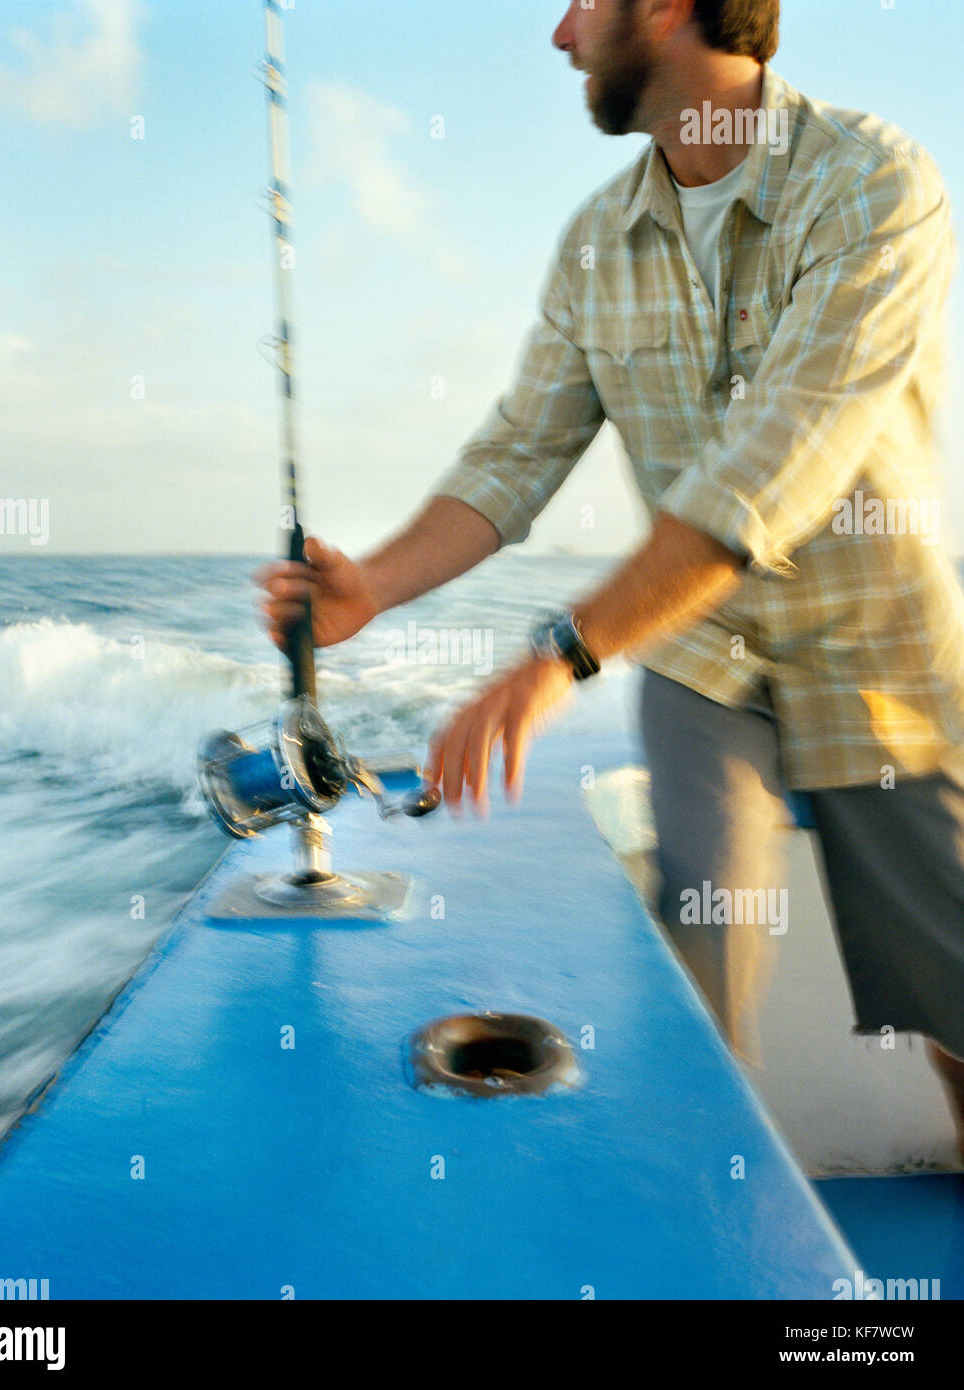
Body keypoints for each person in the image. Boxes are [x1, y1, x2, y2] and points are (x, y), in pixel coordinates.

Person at [255, 0, 964, 1157]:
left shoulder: (876, 181)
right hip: (702, 657)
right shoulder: (595, 238)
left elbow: (777, 464)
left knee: (956, 988)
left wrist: (556, 662)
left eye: (581, 1)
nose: (559, 35)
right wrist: (371, 583)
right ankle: (705, 1235)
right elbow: (517, 451)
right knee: (697, 976)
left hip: (882, 647)